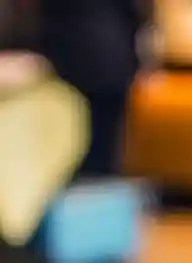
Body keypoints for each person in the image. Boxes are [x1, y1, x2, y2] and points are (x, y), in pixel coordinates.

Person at [39, 0, 149, 178]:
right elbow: (134, 13)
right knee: (106, 133)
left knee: (74, 130)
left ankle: (82, 175)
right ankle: (99, 177)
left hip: (71, 60)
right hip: (112, 58)